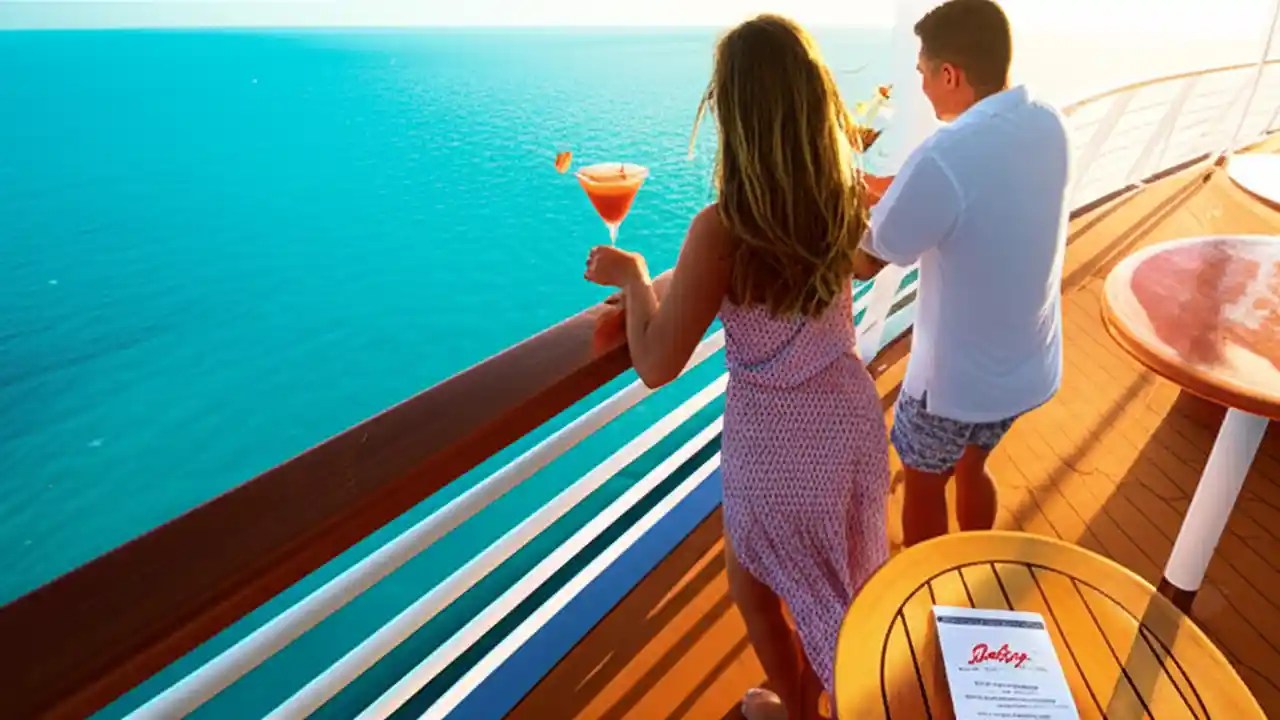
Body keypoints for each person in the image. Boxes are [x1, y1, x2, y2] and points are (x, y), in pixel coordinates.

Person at [584, 14, 890, 720]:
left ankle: (799, 706)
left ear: (736, 117)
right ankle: (838, 694)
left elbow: (658, 363)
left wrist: (635, 281)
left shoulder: (723, 228)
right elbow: (872, 262)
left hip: (775, 445)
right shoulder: (841, 200)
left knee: (754, 587)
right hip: (847, 423)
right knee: (847, 583)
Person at [854, 0, 1071, 547]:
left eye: (924, 73)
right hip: (1024, 367)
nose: (922, 87)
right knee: (973, 466)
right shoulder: (1047, 121)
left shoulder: (944, 154)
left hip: (952, 384)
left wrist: (838, 202)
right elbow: (975, 191)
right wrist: (885, 189)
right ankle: (974, 567)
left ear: (950, 74)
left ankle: (931, 595)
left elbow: (866, 259)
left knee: (924, 487)